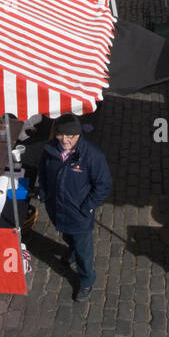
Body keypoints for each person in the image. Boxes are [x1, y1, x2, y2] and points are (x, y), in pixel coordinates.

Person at [36, 114, 112, 302]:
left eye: (71, 136)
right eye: (61, 135)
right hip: (57, 209)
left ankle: (87, 280)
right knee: (65, 235)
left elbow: (103, 185)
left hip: (79, 215)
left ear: (79, 135)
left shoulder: (92, 156)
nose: (66, 140)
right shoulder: (49, 149)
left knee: (84, 251)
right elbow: (43, 171)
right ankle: (70, 252)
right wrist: (45, 194)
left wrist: (87, 207)